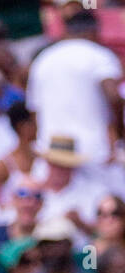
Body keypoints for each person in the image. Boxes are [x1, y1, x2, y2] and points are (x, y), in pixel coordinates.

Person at [26, 4, 123, 170]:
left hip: (52, 152)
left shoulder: (43, 59)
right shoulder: (100, 55)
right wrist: (120, 136)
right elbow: (113, 96)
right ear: (94, 31)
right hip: (94, 153)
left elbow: (34, 111)